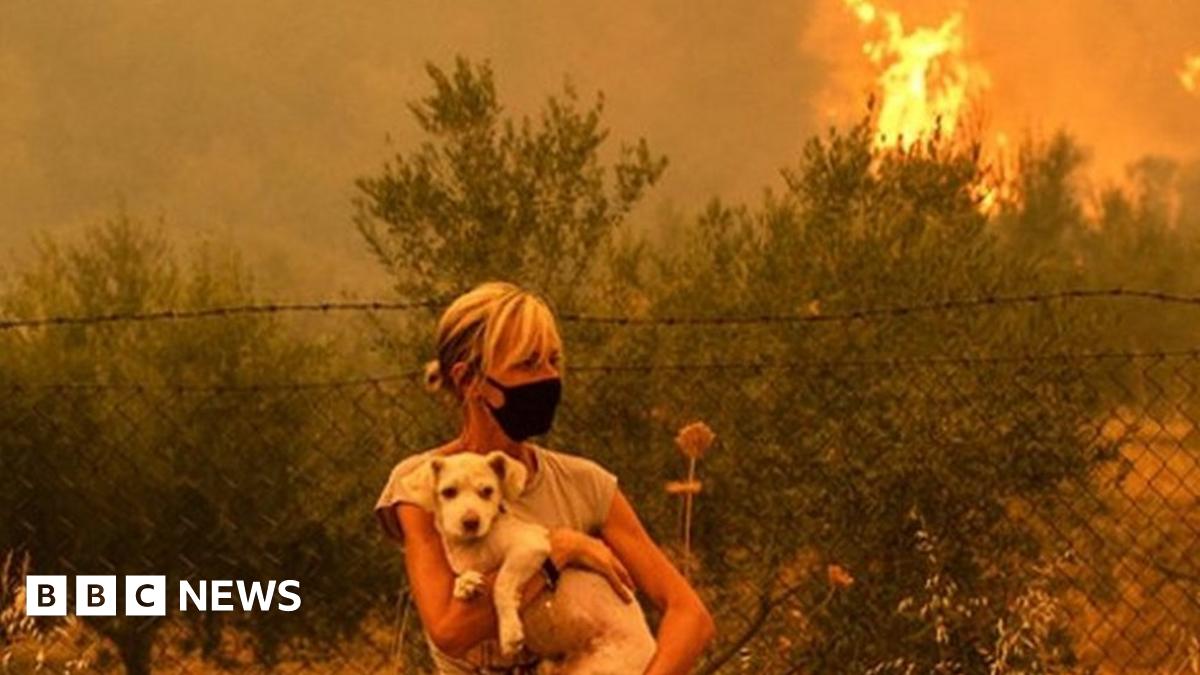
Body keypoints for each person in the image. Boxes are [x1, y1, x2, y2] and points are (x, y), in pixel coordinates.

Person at [374, 281, 716, 674]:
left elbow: (690, 616)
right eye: (528, 364)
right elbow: (450, 629)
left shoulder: (585, 484)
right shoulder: (424, 484)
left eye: (553, 361)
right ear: (469, 380)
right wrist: (557, 551)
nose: (549, 377)